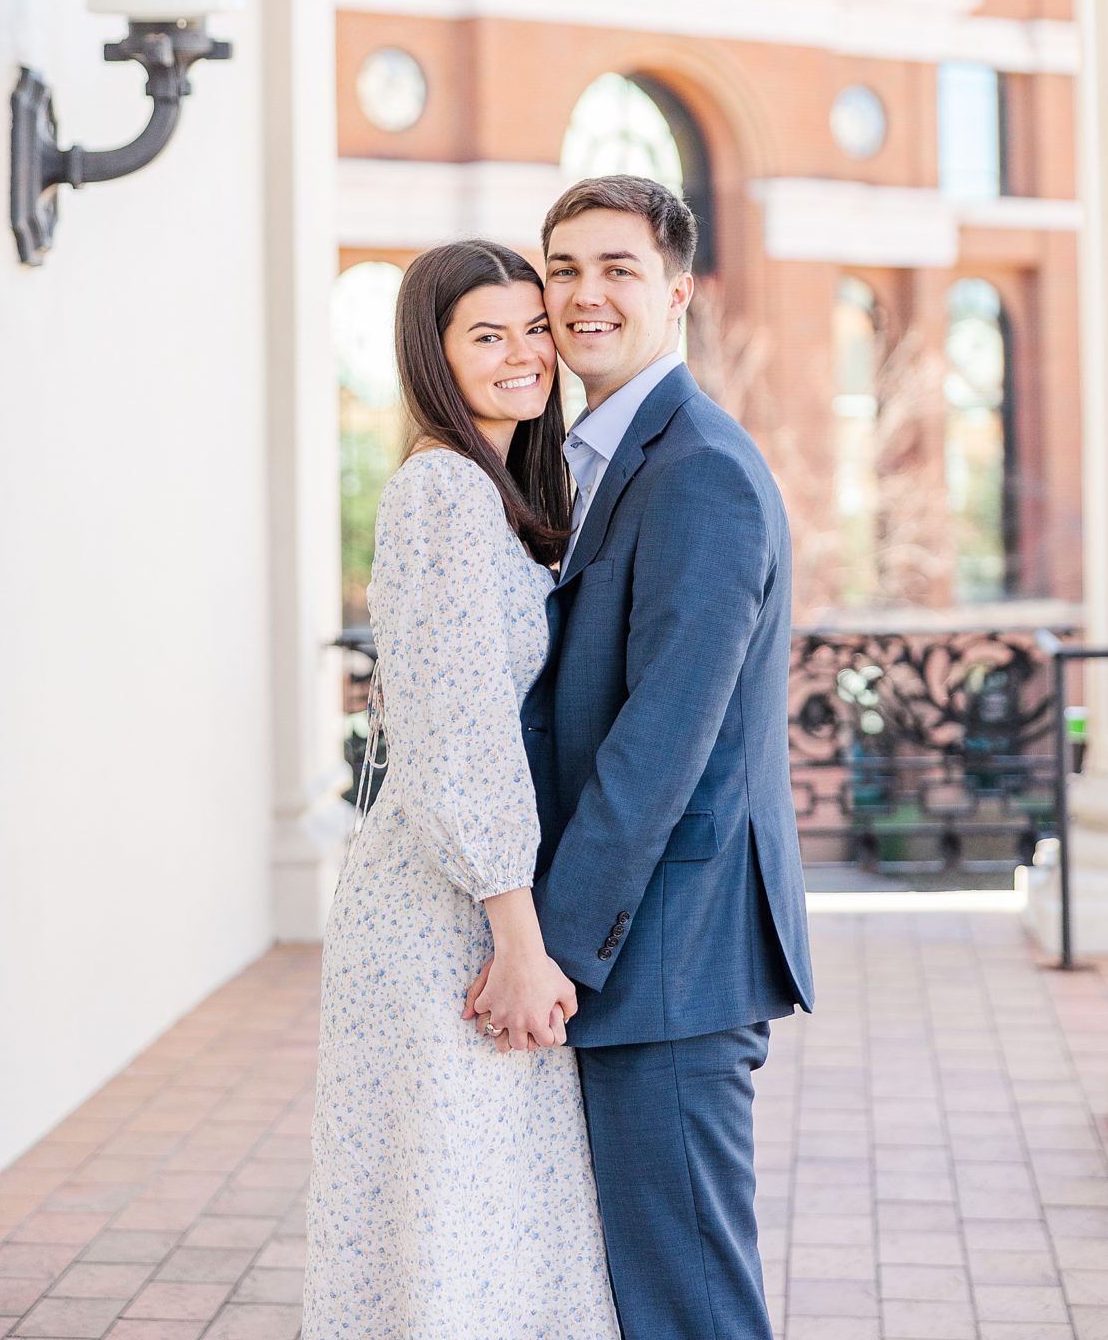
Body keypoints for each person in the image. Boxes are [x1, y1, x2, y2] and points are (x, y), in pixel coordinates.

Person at [466, 174, 814, 1340]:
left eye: (617, 267)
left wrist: (546, 951)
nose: (582, 293)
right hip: (644, 960)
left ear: (678, 292)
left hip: (667, 959)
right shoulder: (600, 459)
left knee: (693, 1305)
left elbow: (660, 746)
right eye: (562, 268)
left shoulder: (699, 470)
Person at [303, 239, 619, 1340]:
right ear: (432, 358)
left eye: (536, 328)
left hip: (471, 894)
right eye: (489, 334)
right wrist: (518, 934)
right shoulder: (442, 489)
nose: (528, 354)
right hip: (451, 905)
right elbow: (457, 732)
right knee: (450, 1212)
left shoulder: (498, 491)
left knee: (477, 1207)